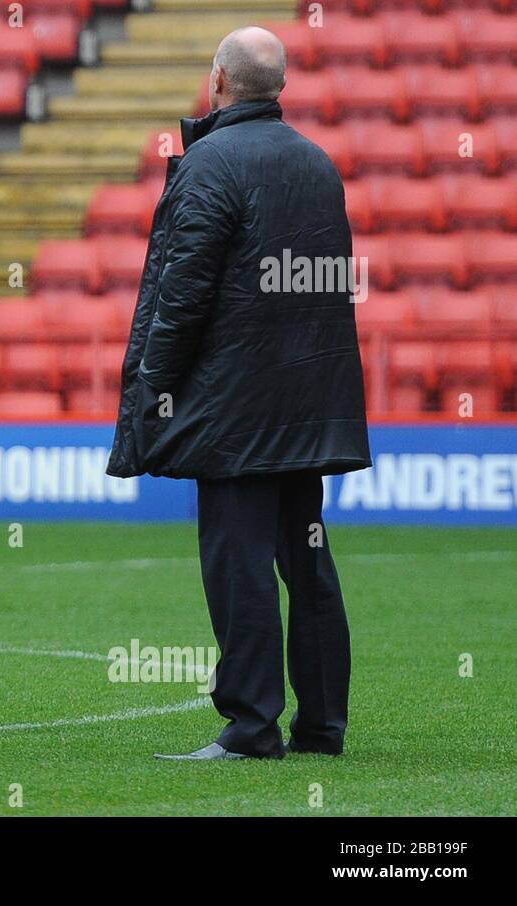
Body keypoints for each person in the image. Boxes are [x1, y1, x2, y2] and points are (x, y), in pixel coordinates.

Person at [108, 27, 371, 761]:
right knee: (307, 558)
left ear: (218, 79)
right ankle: (321, 724)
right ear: (276, 86)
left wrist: (153, 388)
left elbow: (182, 294)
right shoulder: (318, 163)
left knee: (240, 561)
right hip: (305, 404)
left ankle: (251, 726)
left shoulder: (208, 163)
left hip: (234, 410)